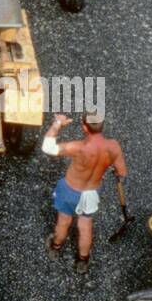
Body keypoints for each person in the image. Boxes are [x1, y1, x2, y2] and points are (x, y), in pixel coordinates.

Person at [42, 109, 128, 273]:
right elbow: (121, 172)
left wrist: (57, 124)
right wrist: (113, 169)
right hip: (90, 194)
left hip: (69, 191)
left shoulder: (78, 147)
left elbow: (47, 147)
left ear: (84, 127)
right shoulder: (114, 146)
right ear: (101, 126)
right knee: (85, 226)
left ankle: (56, 247)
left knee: (64, 221)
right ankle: (82, 261)